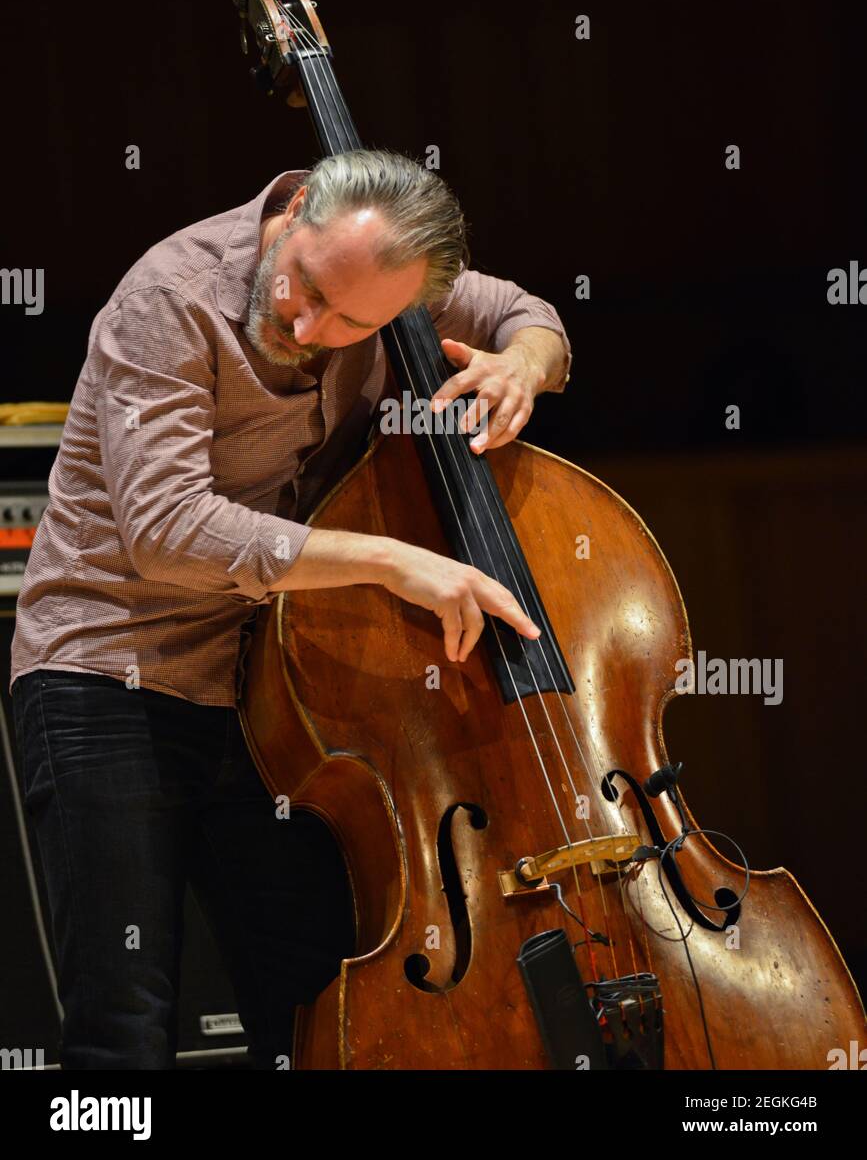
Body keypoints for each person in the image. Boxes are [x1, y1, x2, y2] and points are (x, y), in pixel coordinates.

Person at [9, 149, 572, 1069]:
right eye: (302, 286)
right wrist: (392, 563)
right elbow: (166, 528)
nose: (307, 324)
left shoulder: (390, 272)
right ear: (299, 204)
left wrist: (523, 364)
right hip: (107, 671)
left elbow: (528, 316)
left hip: (272, 699)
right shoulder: (172, 296)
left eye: (353, 322)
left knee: (318, 1004)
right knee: (123, 1027)